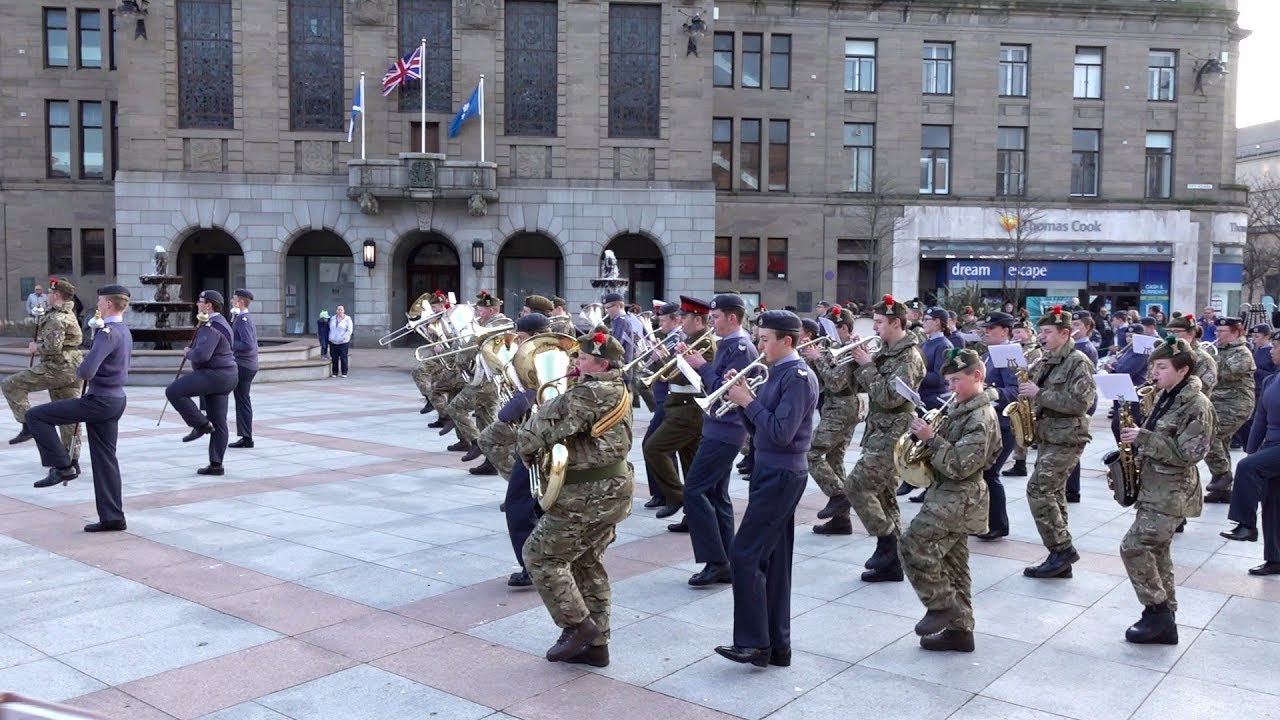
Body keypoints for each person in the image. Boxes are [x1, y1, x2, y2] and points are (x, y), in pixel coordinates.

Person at [517, 331, 634, 668]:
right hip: (613, 489)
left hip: (587, 495)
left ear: (601, 363)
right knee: (586, 563)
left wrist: (527, 449)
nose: (575, 362)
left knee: (539, 556)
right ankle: (597, 646)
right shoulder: (618, 386)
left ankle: (578, 627)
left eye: (582, 358)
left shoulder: (589, 392)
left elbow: (538, 431)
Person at [713, 310, 819, 668]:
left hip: (782, 473)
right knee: (773, 560)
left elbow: (780, 432)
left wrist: (748, 401)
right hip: (771, 469)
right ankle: (777, 645)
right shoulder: (779, 372)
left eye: (764, 339)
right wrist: (740, 397)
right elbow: (761, 429)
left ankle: (754, 643)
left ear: (787, 341)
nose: (758, 345)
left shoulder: (798, 376)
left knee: (744, 554)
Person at [900, 348, 1001, 652]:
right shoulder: (962, 406)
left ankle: (942, 604)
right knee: (954, 564)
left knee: (911, 544)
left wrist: (931, 438)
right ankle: (960, 632)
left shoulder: (981, 417)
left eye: (957, 379)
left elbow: (959, 465)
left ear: (977, 376)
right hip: (949, 493)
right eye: (949, 381)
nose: (951, 387)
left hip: (960, 495)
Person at [1118, 336, 1214, 643]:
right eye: (1153, 366)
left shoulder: (1197, 404)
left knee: (1133, 546)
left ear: (1183, 370)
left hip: (1171, 491)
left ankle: (1157, 611)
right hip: (1154, 487)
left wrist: (1144, 438)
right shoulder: (1167, 395)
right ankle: (1164, 618)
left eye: (1161, 367)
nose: (1154, 373)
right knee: (1157, 553)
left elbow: (1190, 454)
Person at [27, 285, 133, 532]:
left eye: (100, 301)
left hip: (100, 401)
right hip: (115, 399)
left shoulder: (106, 332)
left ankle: (62, 467)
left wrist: (80, 363)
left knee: (36, 416)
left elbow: (86, 371)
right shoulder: (123, 330)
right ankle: (112, 517)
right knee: (105, 459)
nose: (97, 304)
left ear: (108, 304)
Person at [676, 294, 758, 585]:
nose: (711, 324)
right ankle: (725, 561)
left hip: (726, 429)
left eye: (715, 318)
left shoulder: (739, 346)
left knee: (694, 491)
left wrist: (700, 364)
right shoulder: (729, 344)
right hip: (719, 427)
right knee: (716, 495)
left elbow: (726, 389)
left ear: (732, 318)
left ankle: (715, 561)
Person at [845, 294, 925, 582]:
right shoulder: (887, 350)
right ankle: (892, 564)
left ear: (895, 322)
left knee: (855, 486)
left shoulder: (909, 356)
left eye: (879, 322)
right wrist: (857, 360)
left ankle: (888, 542)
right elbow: (859, 383)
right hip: (878, 429)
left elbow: (890, 397)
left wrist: (867, 364)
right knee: (884, 495)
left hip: (894, 432)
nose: (875, 328)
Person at [1021, 304, 1097, 579]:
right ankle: (1060, 557)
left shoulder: (1078, 361)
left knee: (1038, 490)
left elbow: (1081, 403)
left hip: (1067, 436)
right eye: (1041, 331)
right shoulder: (1047, 359)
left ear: (1065, 333)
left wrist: (1039, 393)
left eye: (1048, 332)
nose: (1042, 337)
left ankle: (1061, 549)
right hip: (1048, 434)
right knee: (1053, 493)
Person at [644, 297, 713, 519]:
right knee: (690, 465)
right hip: (680, 407)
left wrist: (665, 358)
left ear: (698, 319)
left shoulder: (704, 343)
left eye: (685, 317)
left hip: (689, 409)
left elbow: (689, 378)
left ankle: (676, 495)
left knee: (653, 448)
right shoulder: (691, 339)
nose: (681, 321)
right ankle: (692, 516)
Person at [1220, 333, 1280, 576]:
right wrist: (1251, 449)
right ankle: (1275, 558)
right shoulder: (1271, 380)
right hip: (1272, 445)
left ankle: (1245, 525)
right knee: (1272, 502)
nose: (1272, 351)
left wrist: (1250, 461)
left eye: (1276, 347)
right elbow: (1260, 419)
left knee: (1247, 468)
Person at [4, 278, 84, 450]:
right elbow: (31, 325)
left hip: (58, 367)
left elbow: (53, 348)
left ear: (56, 295)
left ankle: (28, 424)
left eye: (49, 292)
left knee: (10, 384)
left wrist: (36, 348)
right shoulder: (61, 314)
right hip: (72, 367)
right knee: (67, 415)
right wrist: (4, 325)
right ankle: (71, 460)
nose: (47, 295)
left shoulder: (57, 318)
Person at [165, 290, 238, 476]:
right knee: (219, 422)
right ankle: (216, 465)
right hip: (227, 375)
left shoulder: (211, 326)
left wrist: (188, 352)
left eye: (200, 300)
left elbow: (202, 355)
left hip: (215, 374)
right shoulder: (221, 322)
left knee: (174, 391)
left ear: (209, 305)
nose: (197, 303)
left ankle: (200, 425)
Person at [806, 307, 863, 533]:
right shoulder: (835, 347)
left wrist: (818, 358)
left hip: (843, 405)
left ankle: (839, 496)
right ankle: (841, 521)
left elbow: (835, 382)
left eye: (830, 328)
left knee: (811, 453)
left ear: (843, 328)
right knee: (834, 460)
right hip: (837, 406)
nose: (825, 332)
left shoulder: (850, 349)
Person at [444, 290, 509, 461]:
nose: (478, 313)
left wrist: (461, 360)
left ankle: (475, 442)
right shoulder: (487, 324)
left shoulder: (498, 325)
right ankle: (491, 462)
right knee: (485, 419)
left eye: (480, 310)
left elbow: (474, 346)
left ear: (491, 310)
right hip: (487, 378)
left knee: (455, 408)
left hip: (487, 379)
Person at [976, 312, 1021, 540]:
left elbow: (1016, 391)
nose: (986, 331)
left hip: (1004, 423)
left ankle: (998, 525)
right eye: (986, 328)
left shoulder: (1008, 353)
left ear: (1005, 331)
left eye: (991, 328)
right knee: (984, 473)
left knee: (990, 473)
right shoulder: (988, 354)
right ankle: (986, 521)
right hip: (989, 422)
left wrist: (987, 391)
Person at [1203, 316, 1257, 503]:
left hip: (1237, 403)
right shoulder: (1220, 350)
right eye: (1216, 331)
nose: (1218, 335)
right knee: (1222, 442)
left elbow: (1224, 375)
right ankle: (1223, 490)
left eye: (1222, 332)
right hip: (1219, 402)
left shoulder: (1242, 352)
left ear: (1236, 332)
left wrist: (1207, 360)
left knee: (1210, 435)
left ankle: (1223, 474)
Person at [1003, 319, 1042, 477]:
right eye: (1014, 332)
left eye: (1019, 332)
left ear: (1029, 332)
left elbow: (1037, 373)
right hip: (1017, 391)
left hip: (1029, 392)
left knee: (1027, 427)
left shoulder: (1034, 350)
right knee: (1018, 428)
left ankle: (1023, 463)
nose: (1016, 335)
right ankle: (1019, 462)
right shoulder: (1014, 347)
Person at [228, 289, 259, 449]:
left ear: (240, 302)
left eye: (234, 299)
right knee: (242, 399)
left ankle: (247, 437)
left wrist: (229, 343)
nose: (232, 302)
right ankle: (245, 436)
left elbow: (248, 344)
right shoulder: (242, 318)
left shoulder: (243, 319)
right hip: (247, 365)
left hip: (243, 365)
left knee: (242, 400)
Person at [327, 305, 353, 377]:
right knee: (334, 357)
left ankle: (344, 372)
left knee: (343, 357)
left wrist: (343, 338)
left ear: (344, 311)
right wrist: (330, 337)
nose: (339, 311)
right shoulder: (332, 318)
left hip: (343, 342)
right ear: (336, 310)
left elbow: (349, 330)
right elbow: (329, 328)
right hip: (333, 341)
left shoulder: (348, 319)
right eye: (338, 310)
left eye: (341, 310)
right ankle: (334, 372)